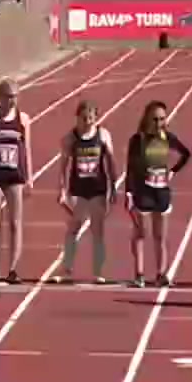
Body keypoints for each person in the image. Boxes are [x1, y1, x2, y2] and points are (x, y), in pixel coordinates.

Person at [124, 100, 192, 287]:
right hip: (143, 191)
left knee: (160, 236)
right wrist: (128, 193)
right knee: (141, 233)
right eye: (155, 119)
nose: (159, 123)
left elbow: (186, 154)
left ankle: (161, 274)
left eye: (162, 119)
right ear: (147, 119)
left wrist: (173, 171)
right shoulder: (138, 140)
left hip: (161, 191)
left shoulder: (168, 137)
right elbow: (130, 168)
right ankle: (139, 274)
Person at [56, 100, 118, 284]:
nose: (87, 122)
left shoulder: (103, 135)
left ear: (96, 118)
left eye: (91, 118)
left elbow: (111, 163)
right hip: (78, 190)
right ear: (77, 117)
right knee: (73, 229)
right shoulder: (70, 138)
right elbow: (63, 166)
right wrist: (62, 190)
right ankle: (66, 269)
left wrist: (114, 187)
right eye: (84, 118)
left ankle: (98, 271)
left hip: (98, 189)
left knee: (98, 231)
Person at [0, 80, 32, 284]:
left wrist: (29, 177)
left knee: (15, 223)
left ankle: (13, 268)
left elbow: (27, 149)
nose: (12, 100)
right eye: (8, 96)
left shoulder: (22, 119)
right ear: (0, 97)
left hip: (15, 176)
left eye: (15, 96)